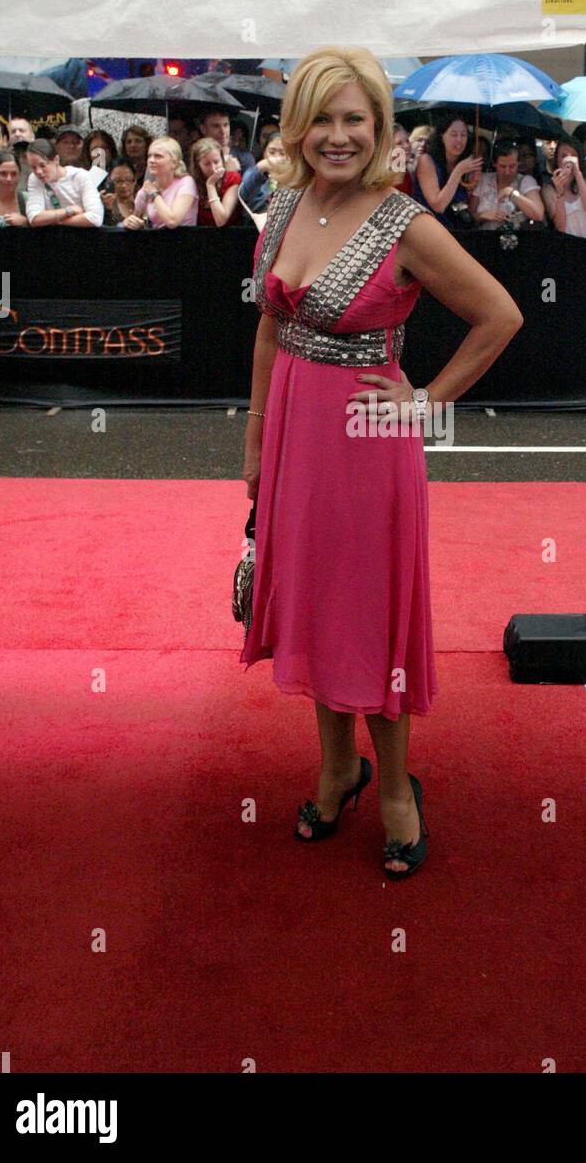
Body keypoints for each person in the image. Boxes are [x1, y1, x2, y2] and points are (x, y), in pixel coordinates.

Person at [241, 45, 523, 878]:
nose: (337, 136)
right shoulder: (287, 205)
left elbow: (499, 316)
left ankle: (396, 788)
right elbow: (268, 327)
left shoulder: (406, 222)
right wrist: (256, 439)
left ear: (378, 128)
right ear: (298, 126)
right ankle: (337, 769)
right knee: (313, 602)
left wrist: (427, 402)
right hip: (294, 430)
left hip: (366, 442)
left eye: (353, 120)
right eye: (321, 119)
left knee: (367, 610)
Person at [412, 111, 482, 228]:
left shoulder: (466, 163)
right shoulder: (426, 161)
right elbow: (438, 206)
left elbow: (467, 209)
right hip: (429, 229)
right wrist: (458, 171)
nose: (459, 140)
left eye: (463, 134)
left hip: (458, 230)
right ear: (442, 136)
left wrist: (472, 186)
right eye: (454, 134)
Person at [24, 138, 105, 226]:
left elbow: (95, 217)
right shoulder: (34, 178)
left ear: (56, 160)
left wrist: (54, 222)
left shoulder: (81, 176)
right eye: (33, 167)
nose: (38, 172)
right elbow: (34, 218)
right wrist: (69, 211)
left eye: (42, 165)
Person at [469, 139, 544, 229]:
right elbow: (470, 215)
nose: (507, 171)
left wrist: (512, 193)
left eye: (512, 166)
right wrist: (483, 215)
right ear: (494, 164)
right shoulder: (483, 180)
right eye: (503, 166)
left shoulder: (526, 181)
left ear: (518, 163)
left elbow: (539, 214)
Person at [124, 137, 198, 229]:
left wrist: (154, 194)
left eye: (158, 156)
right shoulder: (148, 188)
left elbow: (172, 221)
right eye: (149, 156)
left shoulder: (186, 182)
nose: (151, 160)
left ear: (174, 163)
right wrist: (129, 222)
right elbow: (135, 217)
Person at [542, 135, 586, 237]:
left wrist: (578, 175)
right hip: (567, 244)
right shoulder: (548, 189)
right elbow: (560, 226)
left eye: (573, 155)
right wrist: (560, 191)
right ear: (557, 160)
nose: (569, 159)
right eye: (564, 156)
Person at [189, 136, 242, 226]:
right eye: (207, 164)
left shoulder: (233, 178)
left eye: (216, 162)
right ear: (198, 166)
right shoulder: (192, 182)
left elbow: (221, 220)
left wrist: (210, 185)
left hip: (229, 236)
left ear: (222, 160)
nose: (213, 169)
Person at [239, 132, 288, 217]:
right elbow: (244, 194)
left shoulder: (296, 179)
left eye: (282, 153)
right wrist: (260, 169)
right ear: (264, 153)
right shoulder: (253, 173)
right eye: (272, 152)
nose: (276, 157)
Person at [197, 108, 255, 175]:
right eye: (216, 126)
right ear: (203, 129)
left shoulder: (245, 158)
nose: (223, 131)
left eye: (226, 125)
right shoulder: (196, 156)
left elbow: (250, 185)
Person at [101, 159, 139, 226]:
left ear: (135, 180)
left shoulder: (143, 202)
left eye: (128, 179)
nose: (124, 185)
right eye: (118, 181)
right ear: (108, 181)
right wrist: (107, 209)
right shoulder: (104, 206)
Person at [390, 123, 413, 195]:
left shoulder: (406, 171)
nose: (406, 146)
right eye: (399, 143)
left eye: (407, 141)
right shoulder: (380, 179)